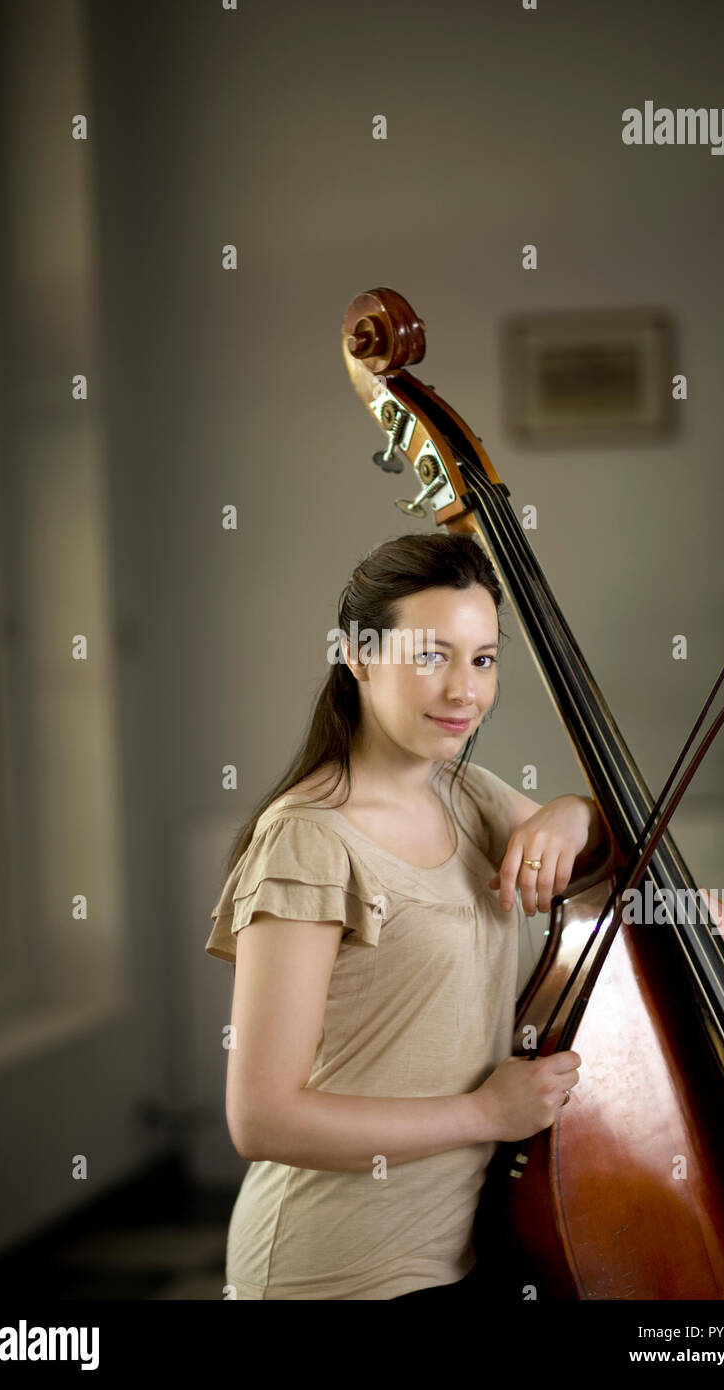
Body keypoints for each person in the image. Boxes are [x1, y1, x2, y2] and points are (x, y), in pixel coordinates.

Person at [205, 532, 607, 1300]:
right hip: (333, 1270)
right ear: (358, 657)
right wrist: (485, 1113)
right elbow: (262, 1119)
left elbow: (613, 868)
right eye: (432, 655)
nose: (465, 691)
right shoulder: (307, 840)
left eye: (483, 659)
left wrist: (571, 813)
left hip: (461, 1253)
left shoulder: (472, 795)